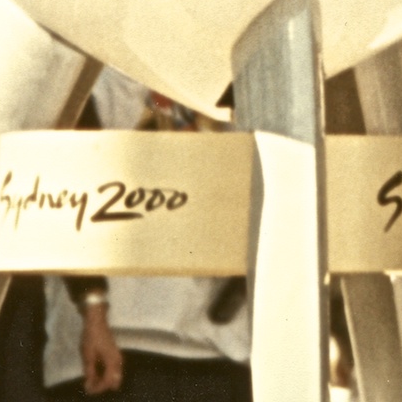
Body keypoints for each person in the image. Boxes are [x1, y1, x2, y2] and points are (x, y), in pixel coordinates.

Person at [43, 75, 251, 399]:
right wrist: (93, 310)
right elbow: (69, 198)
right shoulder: (95, 75)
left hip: (217, 347)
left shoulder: (227, 75)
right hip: (114, 340)